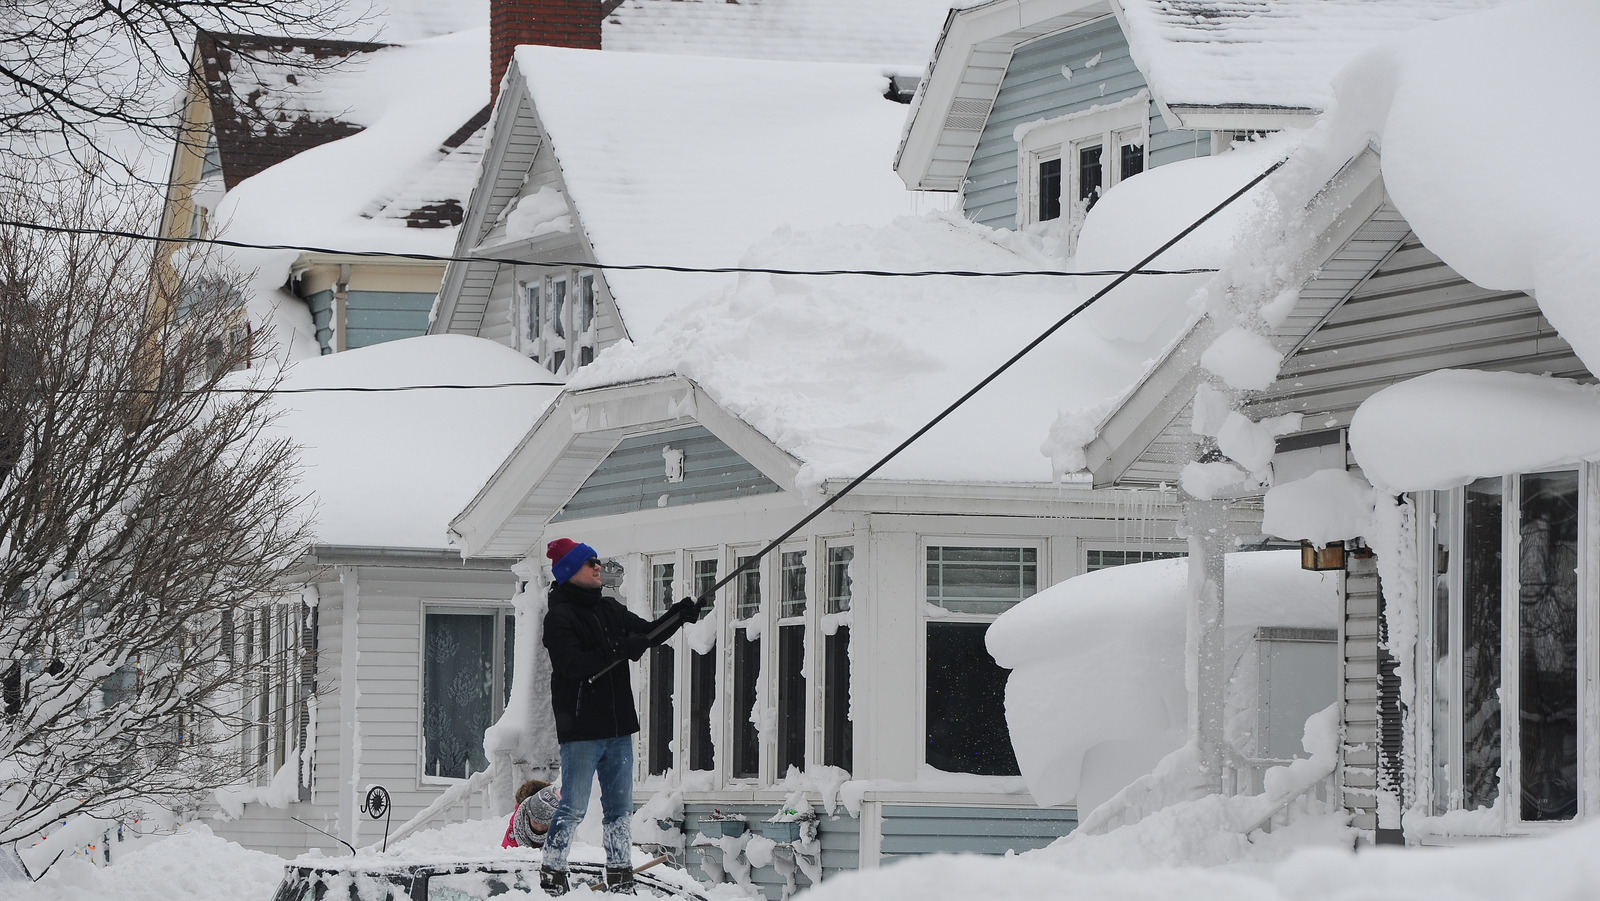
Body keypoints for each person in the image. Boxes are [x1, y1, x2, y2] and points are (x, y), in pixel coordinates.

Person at [539, 539, 699, 895]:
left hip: (618, 728)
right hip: (581, 730)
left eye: (597, 561)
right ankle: (551, 877)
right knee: (573, 807)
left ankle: (621, 879)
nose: (598, 566)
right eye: (589, 562)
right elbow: (572, 665)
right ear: (569, 572)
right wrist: (617, 649)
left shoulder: (610, 610)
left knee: (619, 809)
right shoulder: (559, 618)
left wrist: (678, 615)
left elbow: (648, 634)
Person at [501, 779, 560, 849]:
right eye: (535, 821)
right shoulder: (518, 824)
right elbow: (508, 853)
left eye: (545, 823)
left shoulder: (560, 823)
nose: (540, 827)